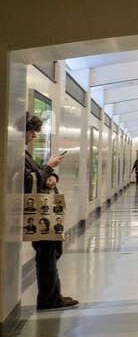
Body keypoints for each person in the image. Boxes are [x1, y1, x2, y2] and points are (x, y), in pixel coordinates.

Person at [23, 113, 77, 310]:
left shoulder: (24, 153)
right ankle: (49, 298)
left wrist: (51, 174)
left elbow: (37, 175)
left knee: (52, 251)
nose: (34, 136)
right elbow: (28, 182)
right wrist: (49, 166)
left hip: (41, 213)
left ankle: (53, 295)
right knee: (47, 253)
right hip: (37, 214)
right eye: (32, 132)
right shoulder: (18, 155)